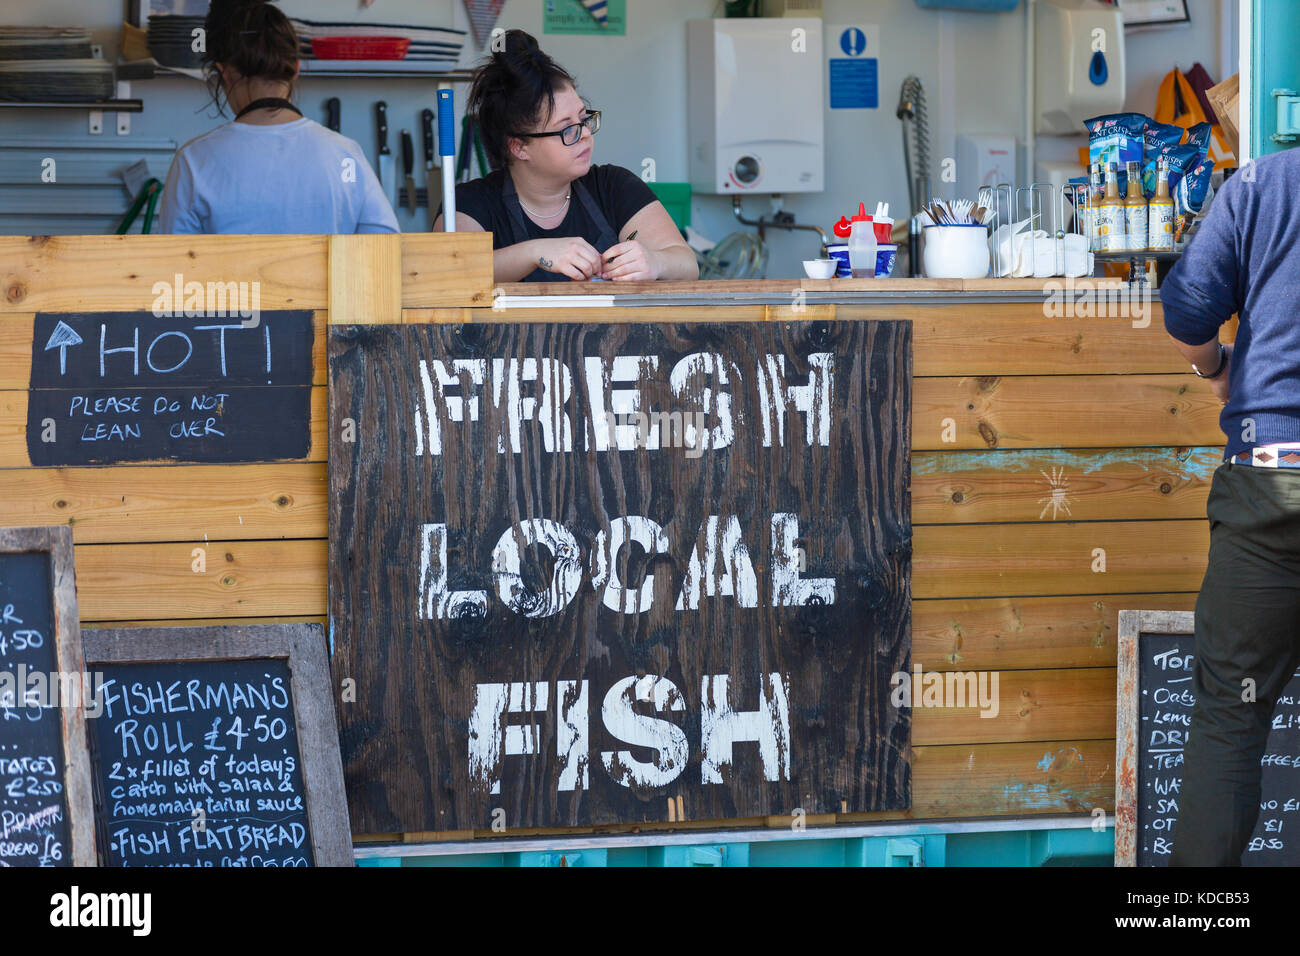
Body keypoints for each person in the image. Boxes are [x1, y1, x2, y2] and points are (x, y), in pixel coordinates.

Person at [1161, 152, 1300, 866]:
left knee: (1231, 724)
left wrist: (1216, 368)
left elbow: (1186, 309)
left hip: (1269, 481)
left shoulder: (1263, 184)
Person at [433, 30, 696, 283]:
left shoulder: (613, 186)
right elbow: (447, 275)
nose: (584, 135)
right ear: (519, 147)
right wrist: (534, 253)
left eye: (583, 120)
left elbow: (686, 263)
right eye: (567, 129)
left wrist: (655, 262)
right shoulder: (470, 204)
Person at [159, 0, 397, 235]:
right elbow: (385, 250)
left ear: (226, 73)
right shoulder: (346, 156)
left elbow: (176, 266)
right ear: (296, 68)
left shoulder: (193, 162)